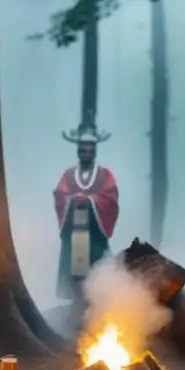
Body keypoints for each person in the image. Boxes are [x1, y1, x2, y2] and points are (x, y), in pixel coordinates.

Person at [53, 114, 119, 304]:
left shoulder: (105, 175)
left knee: (97, 273)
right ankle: (74, 307)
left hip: (95, 236)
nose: (86, 152)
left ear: (95, 151)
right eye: (83, 148)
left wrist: (90, 201)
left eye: (90, 148)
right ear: (78, 151)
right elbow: (60, 195)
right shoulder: (69, 174)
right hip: (73, 236)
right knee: (74, 277)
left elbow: (111, 198)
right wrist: (71, 200)